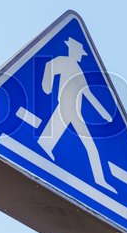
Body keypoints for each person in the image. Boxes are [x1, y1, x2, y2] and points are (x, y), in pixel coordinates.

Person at [37, 37, 116, 193]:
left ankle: (100, 180)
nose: (81, 55)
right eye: (79, 52)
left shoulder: (77, 68)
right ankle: (100, 180)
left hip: (74, 110)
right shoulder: (65, 61)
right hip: (68, 107)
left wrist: (104, 113)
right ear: (73, 50)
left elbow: (87, 92)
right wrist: (47, 87)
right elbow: (49, 67)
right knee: (89, 145)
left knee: (50, 139)